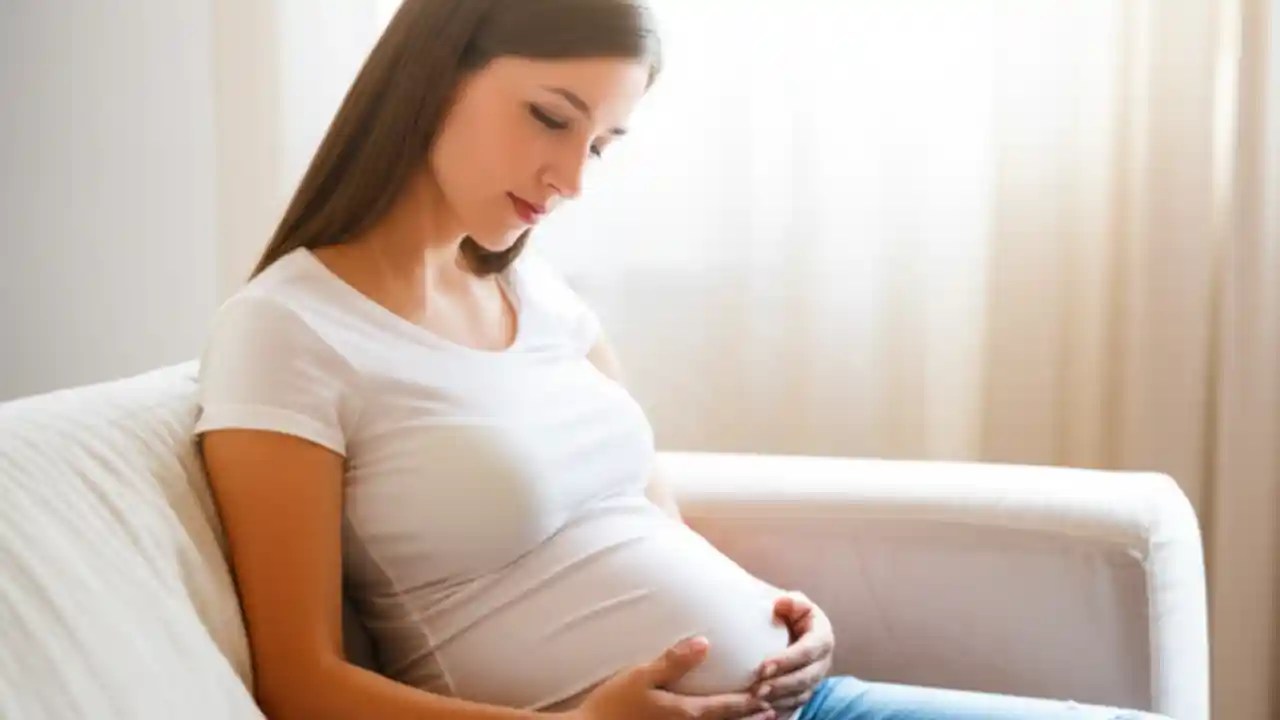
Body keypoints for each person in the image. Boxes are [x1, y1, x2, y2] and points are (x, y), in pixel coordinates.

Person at [195, 2, 1161, 719]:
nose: (571, 179)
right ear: (437, 71)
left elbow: (653, 527)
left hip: (807, 706)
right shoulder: (288, 331)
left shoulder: (544, 301)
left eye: (603, 145)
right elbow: (296, 682)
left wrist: (787, 622)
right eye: (549, 117)